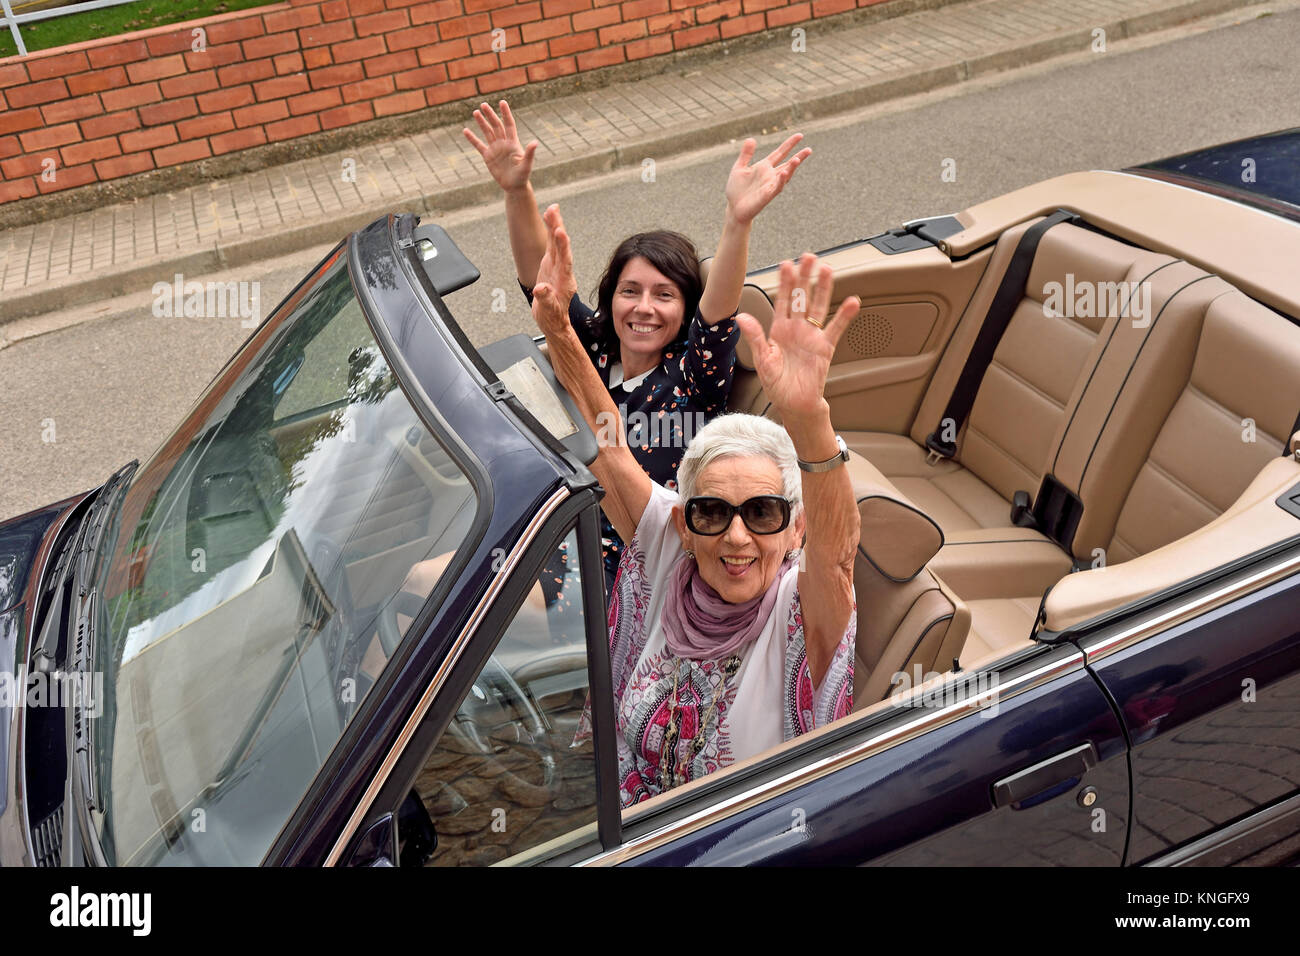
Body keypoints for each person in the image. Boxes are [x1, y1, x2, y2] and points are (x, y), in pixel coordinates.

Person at [530, 204, 860, 807]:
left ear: (795, 531)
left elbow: (838, 558)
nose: (736, 538)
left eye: (763, 513)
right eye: (712, 513)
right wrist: (558, 331)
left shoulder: (799, 610)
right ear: (683, 521)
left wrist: (810, 418)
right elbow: (608, 447)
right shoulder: (673, 554)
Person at [465, 100, 811, 589]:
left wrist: (738, 221)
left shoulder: (694, 377)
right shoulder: (595, 347)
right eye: (630, 291)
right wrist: (517, 189)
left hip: (623, 571)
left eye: (664, 295)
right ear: (611, 299)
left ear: (686, 311)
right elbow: (540, 282)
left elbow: (717, 315)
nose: (644, 308)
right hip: (557, 530)